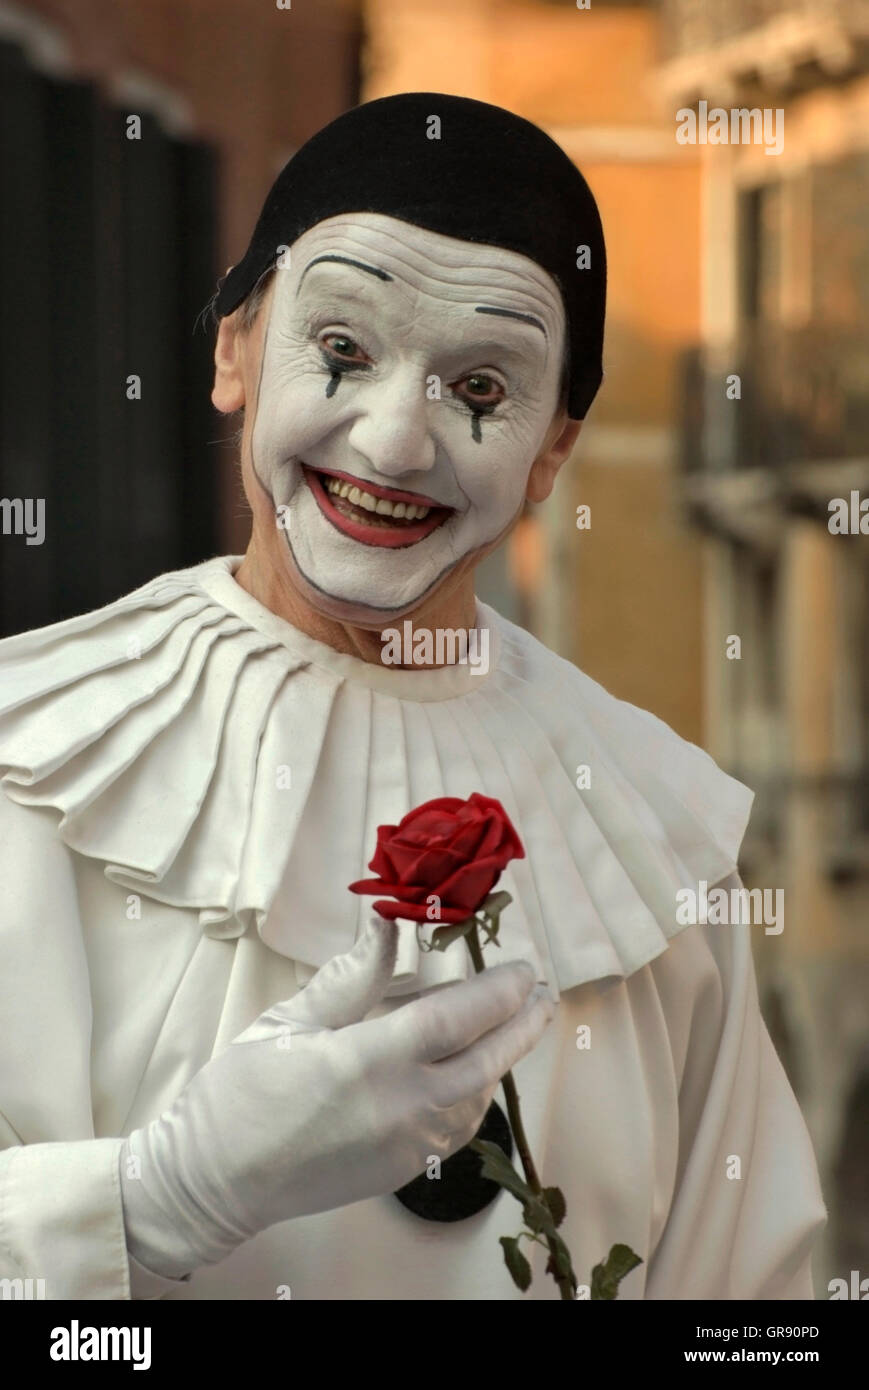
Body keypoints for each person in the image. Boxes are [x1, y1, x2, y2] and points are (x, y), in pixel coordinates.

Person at [0, 93, 826, 1300]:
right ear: (233, 349)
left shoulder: (660, 837)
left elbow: (746, 1301)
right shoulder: (25, 762)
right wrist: (144, 1208)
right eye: (340, 351)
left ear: (551, 450)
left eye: (480, 390)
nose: (392, 445)